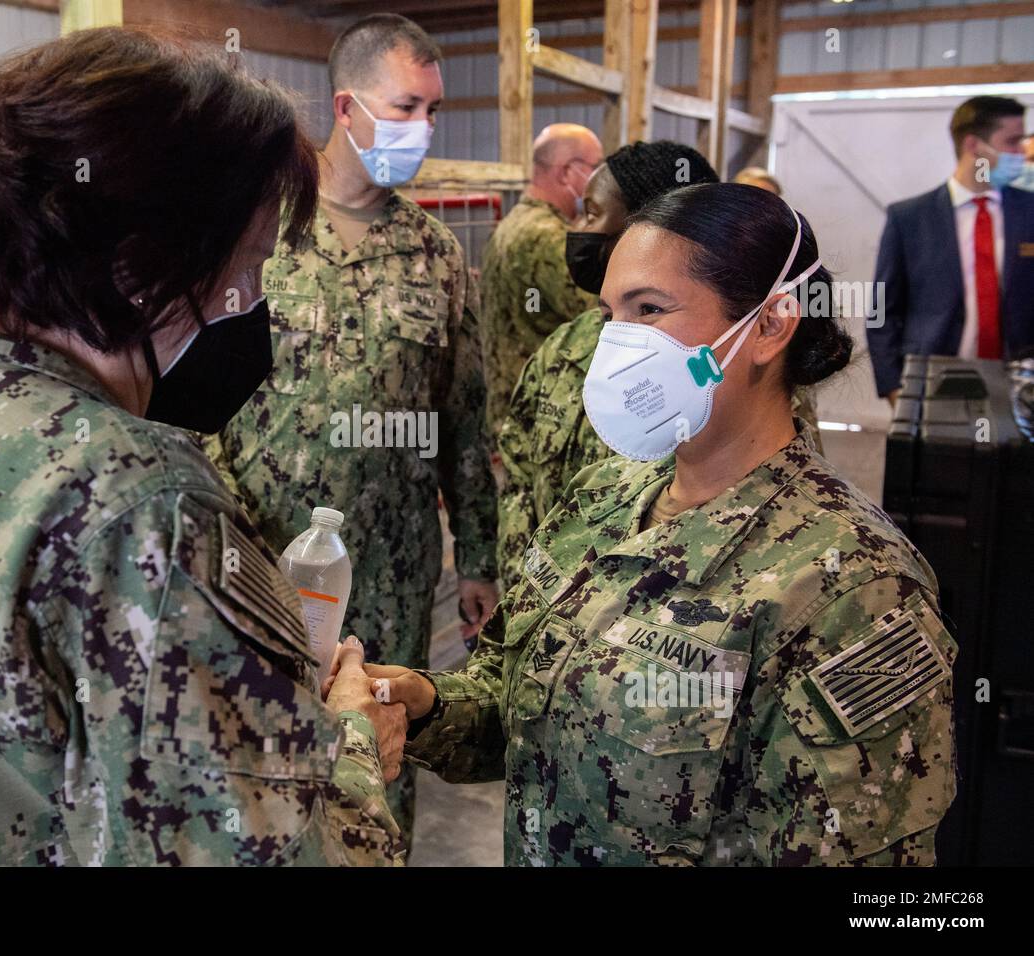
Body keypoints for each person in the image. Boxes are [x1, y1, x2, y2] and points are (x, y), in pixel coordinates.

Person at [0, 28, 407, 867]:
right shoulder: (143, 504)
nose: (256, 304)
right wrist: (353, 743)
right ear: (140, 269)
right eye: (250, 266)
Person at [349, 183, 958, 866]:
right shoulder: (604, 496)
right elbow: (522, 707)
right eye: (610, 315)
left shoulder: (855, 587)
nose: (617, 344)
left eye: (649, 310)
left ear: (768, 325)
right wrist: (427, 704)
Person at [204, 13, 498, 844]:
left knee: (378, 754)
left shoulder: (435, 253)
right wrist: (217, 525)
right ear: (346, 106)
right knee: (254, 753)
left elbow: (463, 417)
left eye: (433, 111)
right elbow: (195, 389)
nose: (423, 129)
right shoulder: (257, 231)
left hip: (391, 571)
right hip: (260, 556)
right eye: (406, 107)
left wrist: (479, 557)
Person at [497, 141, 718, 588]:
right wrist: (518, 590)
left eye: (593, 214)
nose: (577, 228)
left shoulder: (713, 363)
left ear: (651, 227)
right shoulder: (565, 346)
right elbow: (518, 476)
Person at [869, 95, 1034, 402]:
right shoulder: (909, 218)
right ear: (974, 145)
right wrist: (892, 387)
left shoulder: (1030, 211)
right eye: (1012, 142)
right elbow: (882, 310)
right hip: (932, 384)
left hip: (1020, 388)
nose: (1021, 152)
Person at [479, 123, 601, 433]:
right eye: (595, 168)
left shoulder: (514, 223)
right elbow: (599, 317)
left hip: (512, 408)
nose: (600, 180)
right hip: (540, 416)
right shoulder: (548, 237)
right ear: (567, 172)